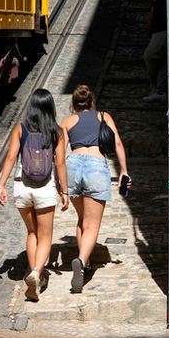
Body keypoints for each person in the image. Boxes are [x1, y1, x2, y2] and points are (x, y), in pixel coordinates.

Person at [0, 89, 70, 302]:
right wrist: (64, 191)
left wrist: (1, 185)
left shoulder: (21, 128)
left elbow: (10, 158)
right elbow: (60, 163)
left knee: (32, 232)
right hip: (45, 188)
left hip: (22, 187)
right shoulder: (57, 132)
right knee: (45, 236)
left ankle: (34, 273)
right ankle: (37, 272)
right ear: (51, 107)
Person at [60, 85, 130, 293]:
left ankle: (87, 262)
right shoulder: (104, 116)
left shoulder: (67, 122)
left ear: (73, 103)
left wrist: (60, 184)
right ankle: (82, 261)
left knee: (82, 219)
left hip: (73, 165)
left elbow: (59, 154)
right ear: (91, 101)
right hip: (96, 166)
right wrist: (123, 171)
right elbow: (117, 143)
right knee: (92, 224)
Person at [142, 0, 167, 102]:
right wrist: (150, 22)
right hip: (157, 27)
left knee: (150, 56)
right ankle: (160, 90)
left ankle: (155, 84)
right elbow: (155, 6)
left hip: (164, 27)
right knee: (162, 59)